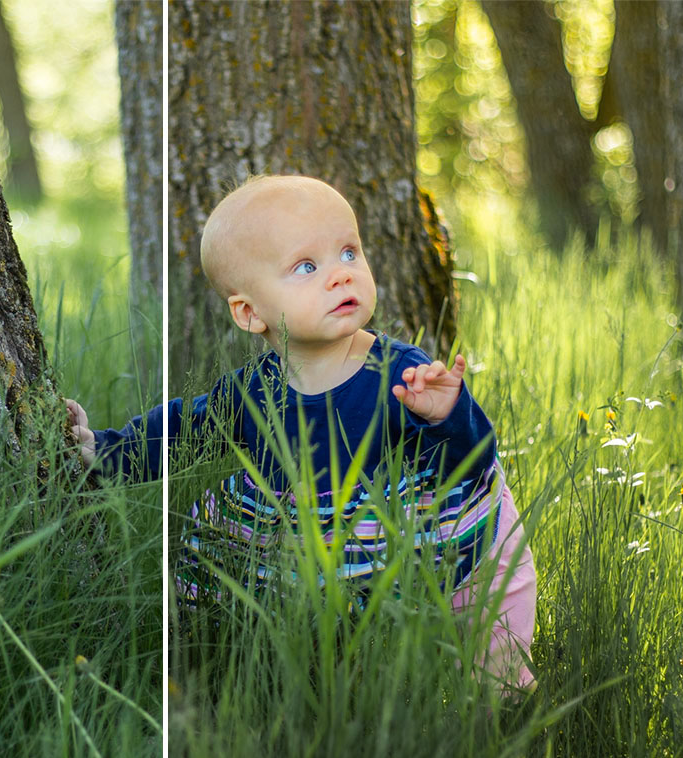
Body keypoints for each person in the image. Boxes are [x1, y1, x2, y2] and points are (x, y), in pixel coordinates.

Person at [66, 175, 536, 690]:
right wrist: (106, 450)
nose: (340, 276)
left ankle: (503, 697)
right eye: (306, 267)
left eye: (349, 253)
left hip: (425, 547)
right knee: (307, 646)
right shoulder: (252, 392)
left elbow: (468, 467)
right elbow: (183, 432)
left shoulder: (399, 373)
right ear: (249, 313)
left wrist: (447, 412)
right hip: (317, 557)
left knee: (489, 653)